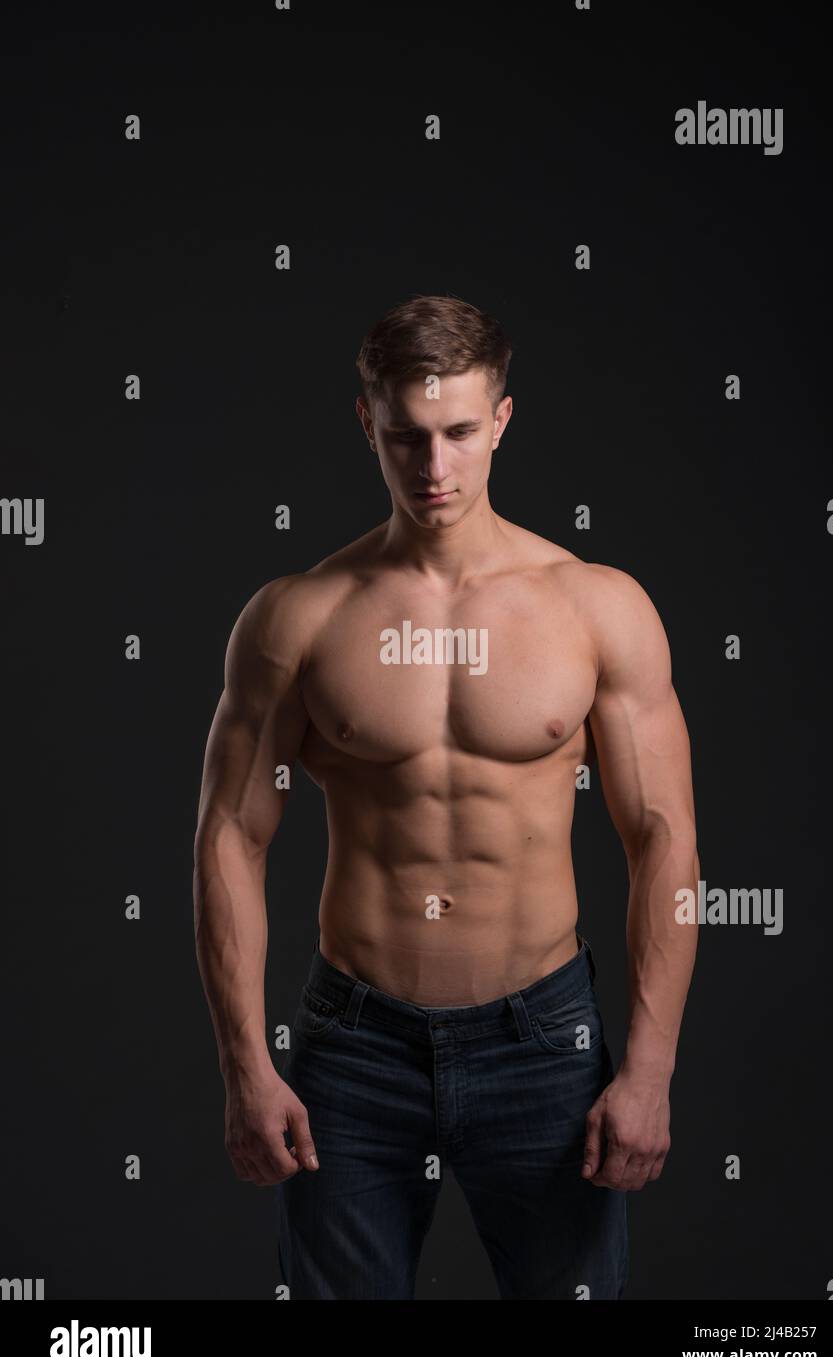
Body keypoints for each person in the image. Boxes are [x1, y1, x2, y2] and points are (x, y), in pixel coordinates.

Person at [193, 293, 700, 1300]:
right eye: (406, 438)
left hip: (544, 1045)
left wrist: (648, 1069)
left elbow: (663, 838)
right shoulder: (299, 616)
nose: (434, 469)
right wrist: (245, 1066)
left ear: (503, 419)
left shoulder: (595, 606)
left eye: (461, 433)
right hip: (354, 1048)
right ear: (366, 423)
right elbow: (227, 837)